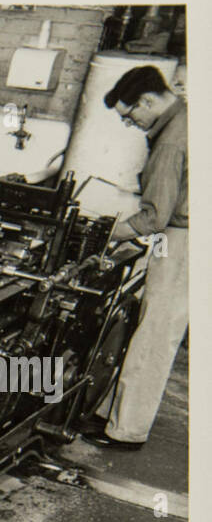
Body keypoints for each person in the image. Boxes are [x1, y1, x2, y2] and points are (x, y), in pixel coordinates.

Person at [81, 65, 188, 451]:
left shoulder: (172, 139)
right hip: (176, 235)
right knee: (148, 323)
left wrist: (104, 232)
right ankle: (114, 413)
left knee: (155, 333)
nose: (131, 124)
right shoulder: (186, 119)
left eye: (130, 116)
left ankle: (126, 431)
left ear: (147, 101)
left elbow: (154, 217)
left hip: (180, 239)